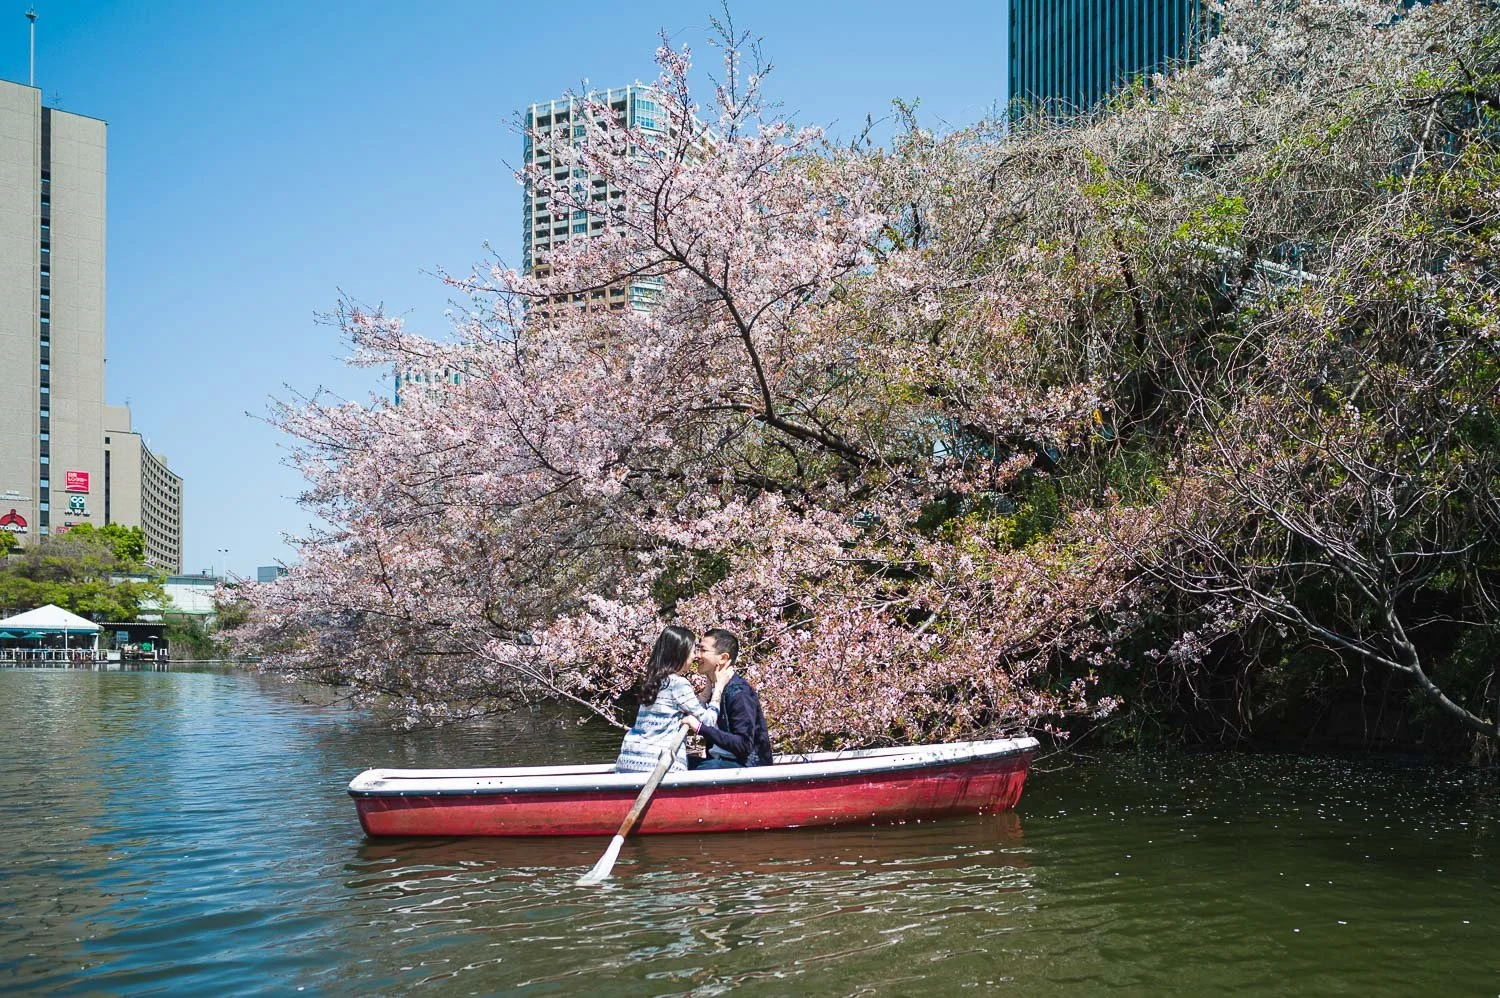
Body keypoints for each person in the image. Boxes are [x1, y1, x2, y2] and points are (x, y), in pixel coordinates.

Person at [615, 625, 731, 774]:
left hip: (629, 759)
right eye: (692, 651)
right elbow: (708, 721)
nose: (695, 656)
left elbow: (691, 706)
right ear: (680, 653)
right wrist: (719, 688)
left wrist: (708, 687)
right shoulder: (678, 684)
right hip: (654, 766)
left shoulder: (655, 681)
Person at [684, 628, 774, 770]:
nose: (697, 655)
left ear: (723, 658)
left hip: (744, 768)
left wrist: (701, 729)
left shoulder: (739, 692)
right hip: (717, 762)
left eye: (703, 650)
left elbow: (744, 744)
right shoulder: (716, 689)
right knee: (677, 762)